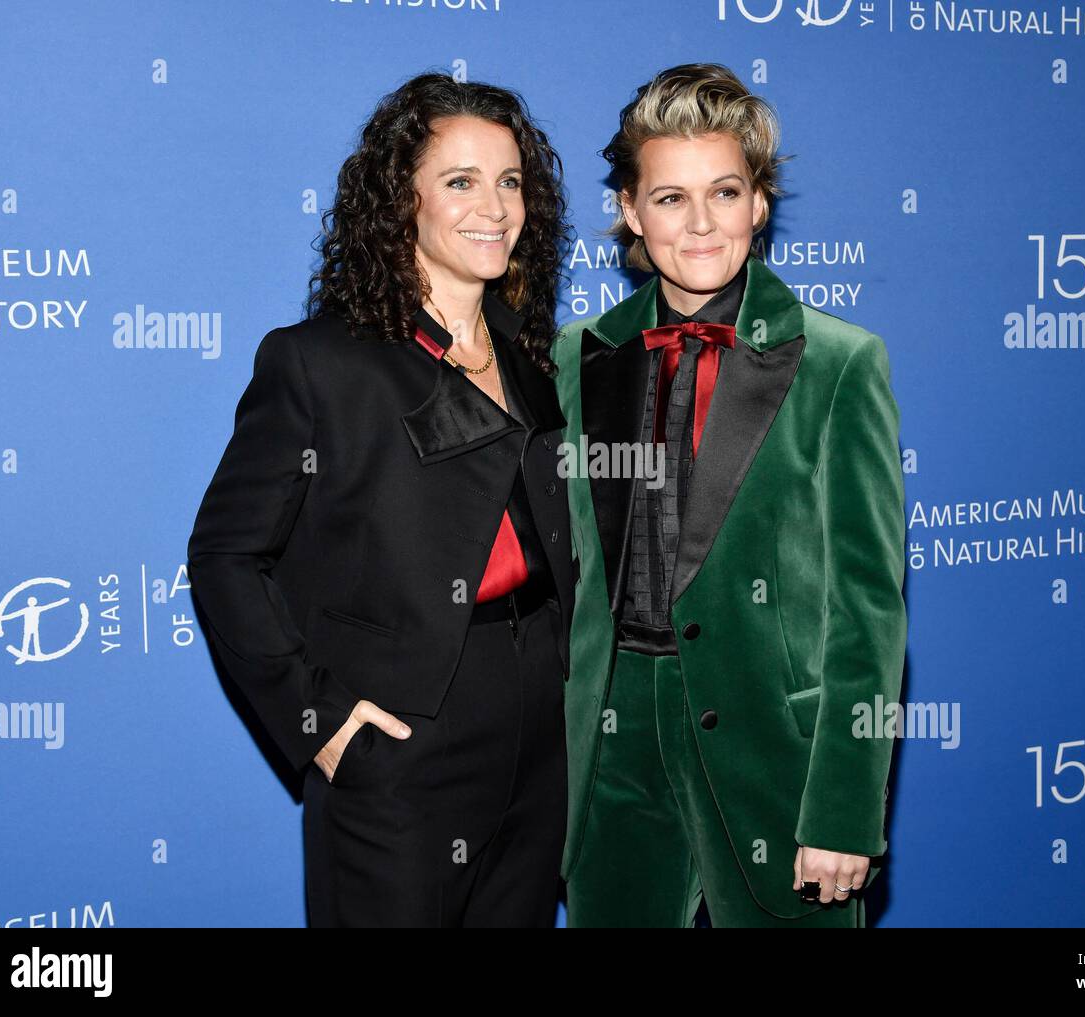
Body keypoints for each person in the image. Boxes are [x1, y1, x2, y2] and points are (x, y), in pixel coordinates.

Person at [186, 72, 575, 927]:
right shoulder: (322, 362)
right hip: (401, 740)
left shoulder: (534, 356)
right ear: (402, 202)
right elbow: (224, 554)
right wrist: (318, 717)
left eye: (511, 181)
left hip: (541, 727)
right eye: (461, 181)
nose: (496, 206)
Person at [552, 63, 907, 927]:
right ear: (632, 214)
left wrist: (844, 811)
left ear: (760, 204)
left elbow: (868, 610)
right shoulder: (574, 356)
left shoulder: (838, 361)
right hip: (611, 746)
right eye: (670, 198)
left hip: (774, 755)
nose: (701, 222)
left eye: (725, 192)